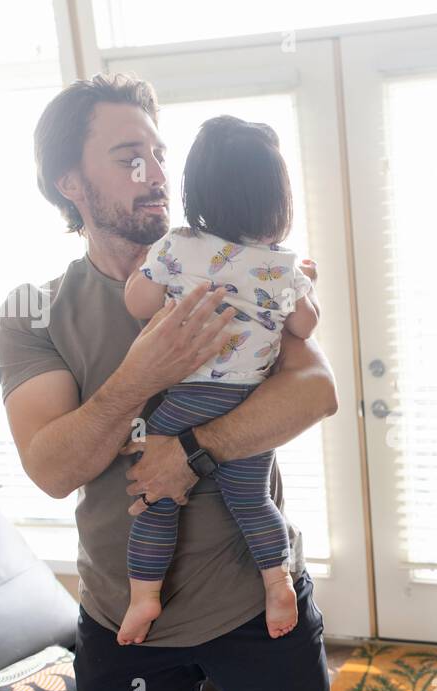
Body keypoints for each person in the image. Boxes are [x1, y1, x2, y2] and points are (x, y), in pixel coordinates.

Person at [0, 74, 360, 691]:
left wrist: (191, 451)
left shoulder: (231, 262)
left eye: (158, 154)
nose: (155, 173)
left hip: (259, 605)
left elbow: (317, 390)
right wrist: (139, 372)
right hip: (128, 624)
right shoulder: (36, 310)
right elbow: (52, 466)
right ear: (70, 183)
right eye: (129, 157)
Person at [120, 116, 318, 644]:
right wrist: (305, 288)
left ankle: (144, 597)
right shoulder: (280, 265)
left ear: (197, 190)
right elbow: (305, 325)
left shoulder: (175, 246)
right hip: (252, 402)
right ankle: (276, 582)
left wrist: (148, 273)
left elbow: (138, 303)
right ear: (277, 200)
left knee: (155, 490)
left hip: (186, 397)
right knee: (252, 500)